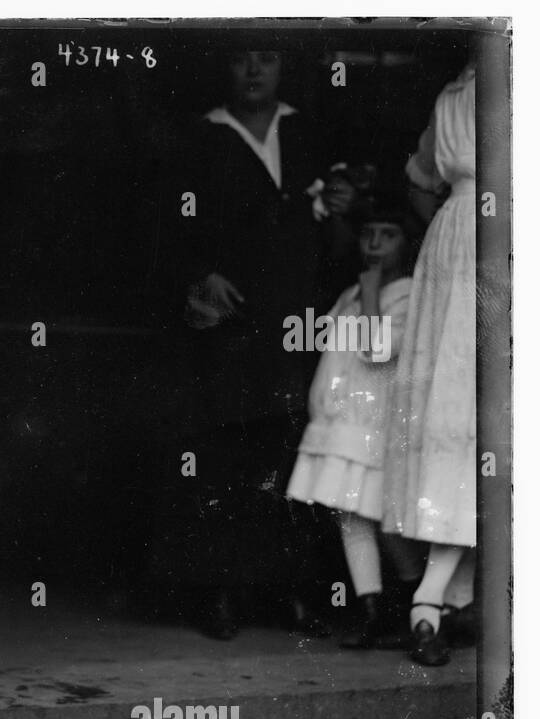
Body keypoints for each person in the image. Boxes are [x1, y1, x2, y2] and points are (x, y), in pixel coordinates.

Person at [161, 49, 355, 640]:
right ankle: (218, 594)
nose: (252, 71)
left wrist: (342, 211)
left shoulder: (306, 133)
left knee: (289, 450)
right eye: (241, 60)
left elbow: (339, 230)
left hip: (295, 318)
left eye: (266, 61)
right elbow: (167, 221)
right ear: (226, 68)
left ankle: (291, 592)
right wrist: (202, 271)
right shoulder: (202, 137)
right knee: (224, 453)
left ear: (281, 70)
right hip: (232, 318)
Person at [286, 196, 427, 648]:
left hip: (373, 426)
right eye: (369, 235)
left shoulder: (409, 295)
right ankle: (374, 605)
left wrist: (369, 290)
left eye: (388, 236)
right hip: (338, 422)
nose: (375, 245)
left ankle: (416, 594)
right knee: (351, 513)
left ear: (406, 244)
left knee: (379, 516)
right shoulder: (351, 294)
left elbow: (376, 349)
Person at [382, 63, 478, 666]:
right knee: (474, 412)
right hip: (497, 238)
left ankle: (445, 601)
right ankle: (433, 599)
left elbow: (420, 180)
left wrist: (447, 224)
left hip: (454, 237)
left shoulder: (449, 96)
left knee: (460, 405)